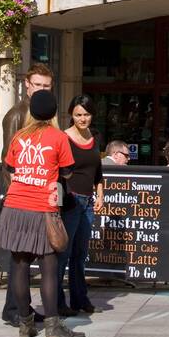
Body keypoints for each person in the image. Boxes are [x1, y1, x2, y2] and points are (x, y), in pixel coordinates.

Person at [0, 90, 84, 337]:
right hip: (42, 208)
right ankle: (53, 327)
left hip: (14, 207)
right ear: (54, 112)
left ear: (31, 111)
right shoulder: (58, 138)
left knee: (20, 266)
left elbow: (10, 168)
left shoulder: (19, 137)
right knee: (48, 266)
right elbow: (67, 173)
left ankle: (25, 325)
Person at [0, 63, 54, 326]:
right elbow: (8, 162)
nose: (42, 90)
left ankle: (23, 309)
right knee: (20, 259)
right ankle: (15, 310)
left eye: (47, 86)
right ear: (27, 85)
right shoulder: (17, 115)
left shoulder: (44, 116)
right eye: (38, 85)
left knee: (31, 259)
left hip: (39, 199)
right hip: (23, 200)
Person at [59, 95, 105, 316]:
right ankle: (58, 300)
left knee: (80, 253)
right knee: (64, 253)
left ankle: (80, 298)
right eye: (78, 114)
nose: (82, 118)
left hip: (88, 202)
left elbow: (97, 171)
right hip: (71, 200)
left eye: (86, 114)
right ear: (71, 115)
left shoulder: (95, 137)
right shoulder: (64, 138)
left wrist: (100, 194)